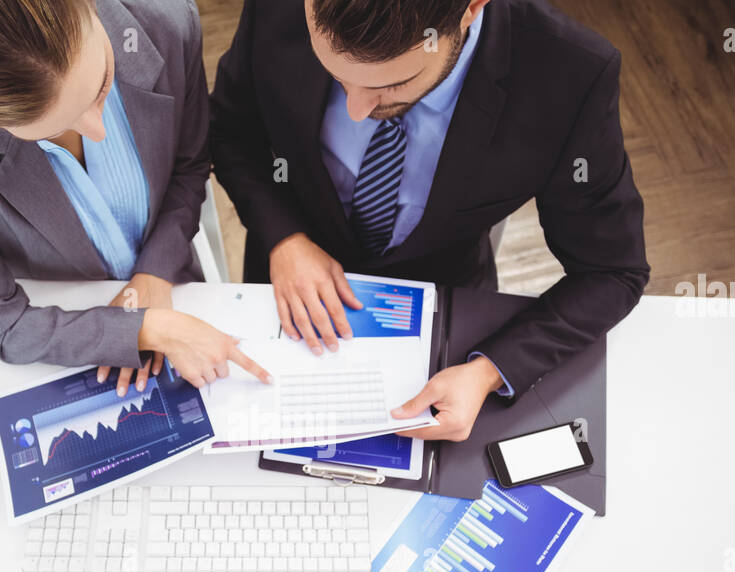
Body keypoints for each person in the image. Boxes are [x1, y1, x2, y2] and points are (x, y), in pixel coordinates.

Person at [209, 0, 648, 441]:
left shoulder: (570, 73)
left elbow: (612, 272)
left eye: (394, 83)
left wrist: (490, 370)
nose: (356, 109)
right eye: (336, 77)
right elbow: (229, 129)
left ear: (471, 9)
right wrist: (285, 238)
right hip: (282, 285)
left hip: (449, 314)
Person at [0, 0, 269, 395]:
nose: (97, 132)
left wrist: (156, 272)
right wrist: (143, 329)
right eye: (46, 131)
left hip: (176, 284)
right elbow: (0, 324)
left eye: (102, 84)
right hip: (53, 328)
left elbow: (189, 165)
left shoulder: (166, 21)